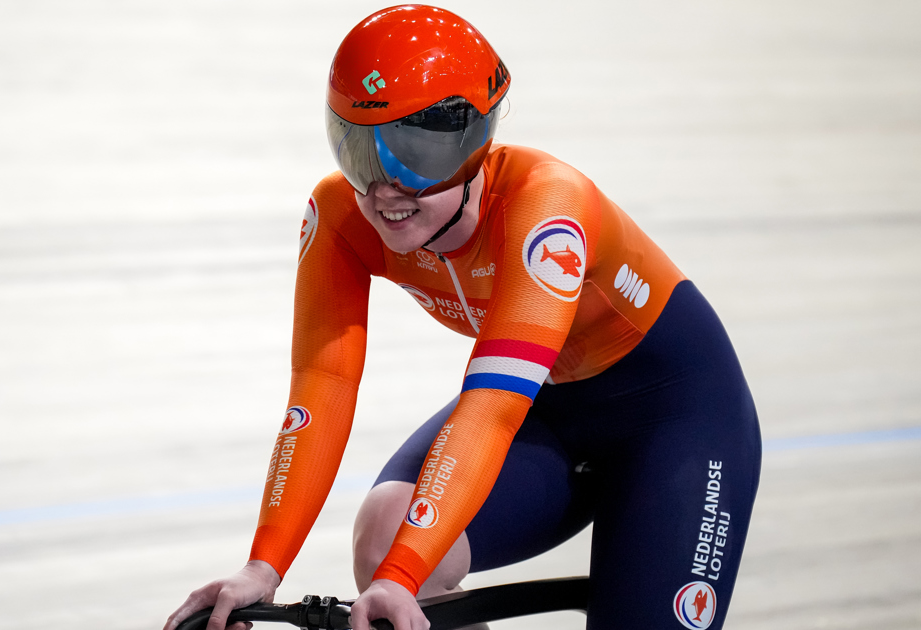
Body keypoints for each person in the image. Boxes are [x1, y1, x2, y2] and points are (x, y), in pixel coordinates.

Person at [164, 5, 761, 630]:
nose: (383, 191)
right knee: (385, 536)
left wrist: (402, 578)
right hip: (551, 410)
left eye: (411, 156)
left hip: (677, 420)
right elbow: (324, 383)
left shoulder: (545, 206)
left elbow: (493, 404)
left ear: (473, 143)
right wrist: (263, 566)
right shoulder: (340, 215)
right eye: (360, 153)